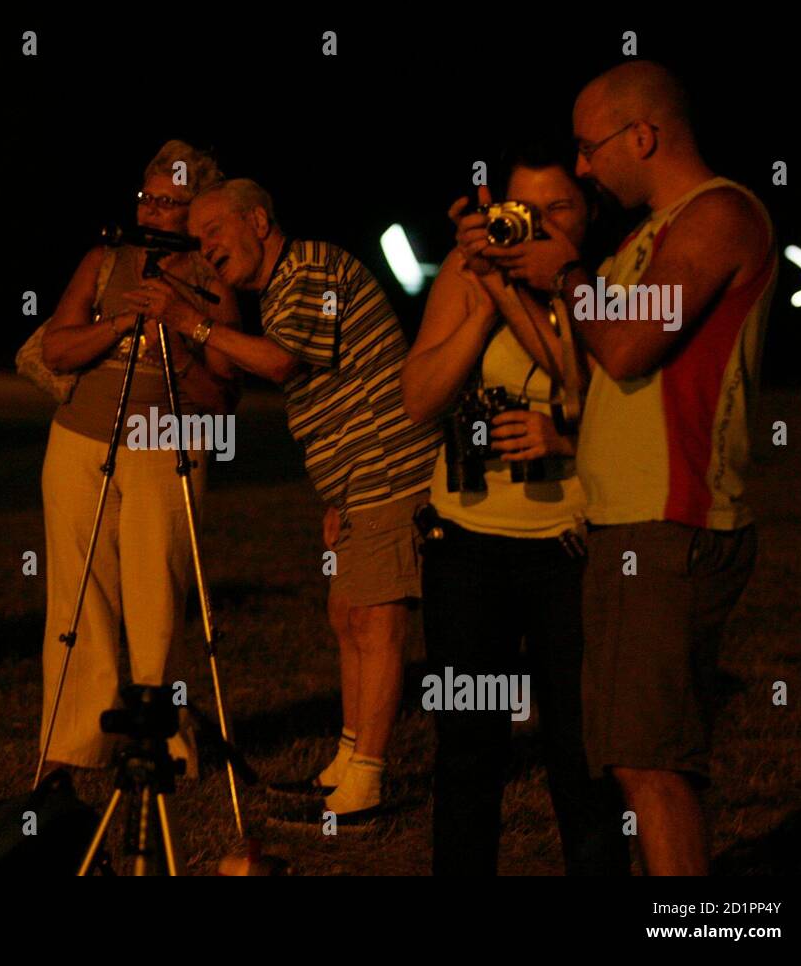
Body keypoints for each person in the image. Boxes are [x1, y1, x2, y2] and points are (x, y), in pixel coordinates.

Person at [476, 62, 777, 875]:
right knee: (631, 760)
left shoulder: (720, 213)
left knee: (654, 763)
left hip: (674, 518)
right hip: (624, 522)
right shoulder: (641, 240)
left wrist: (567, 273)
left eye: (588, 146)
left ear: (642, 133)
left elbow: (633, 342)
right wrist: (521, 279)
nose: (580, 167)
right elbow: (592, 380)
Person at [144, 178, 440, 825]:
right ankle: (347, 759)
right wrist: (334, 495)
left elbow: (280, 364)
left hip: (390, 467)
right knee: (347, 617)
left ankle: (367, 782)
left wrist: (190, 322)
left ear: (257, 219)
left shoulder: (309, 269)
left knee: (378, 619)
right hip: (356, 479)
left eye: (214, 233)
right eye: (197, 242)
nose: (206, 251)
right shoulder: (284, 285)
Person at [406, 140, 628, 874]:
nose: (535, 222)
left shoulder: (599, 288)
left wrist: (559, 436)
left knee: (581, 748)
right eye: (520, 209)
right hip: (466, 542)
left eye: (556, 208)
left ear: (587, 213)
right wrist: (480, 305)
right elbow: (418, 402)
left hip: (566, 543)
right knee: (469, 743)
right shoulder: (469, 279)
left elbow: (603, 397)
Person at [37, 140, 241, 773]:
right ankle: (76, 740)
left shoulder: (213, 278)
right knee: (78, 593)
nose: (152, 213)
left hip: (166, 443)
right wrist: (120, 327)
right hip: (80, 438)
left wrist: (177, 333)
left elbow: (223, 395)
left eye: (170, 203)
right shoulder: (105, 259)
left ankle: (165, 741)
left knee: (158, 590)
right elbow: (57, 350)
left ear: (198, 211)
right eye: (148, 198)